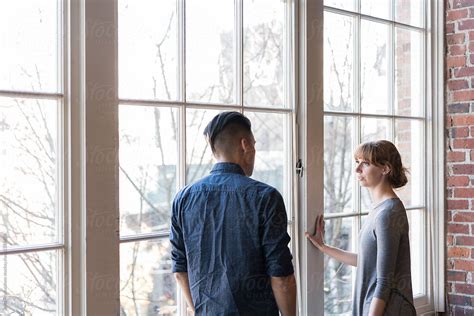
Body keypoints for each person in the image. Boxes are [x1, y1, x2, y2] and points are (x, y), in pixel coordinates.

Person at [170, 111, 296, 316]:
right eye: (254, 145)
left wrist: (199, 310)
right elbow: (281, 277)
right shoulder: (266, 197)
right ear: (245, 145)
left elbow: (180, 270)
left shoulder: (182, 198)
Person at [306, 140, 415, 316]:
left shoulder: (389, 213)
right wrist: (323, 247)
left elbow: (384, 281)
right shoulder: (378, 209)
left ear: (385, 169)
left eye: (365, 163)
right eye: (357, 162)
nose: (357, 169)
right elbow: (366, 262)